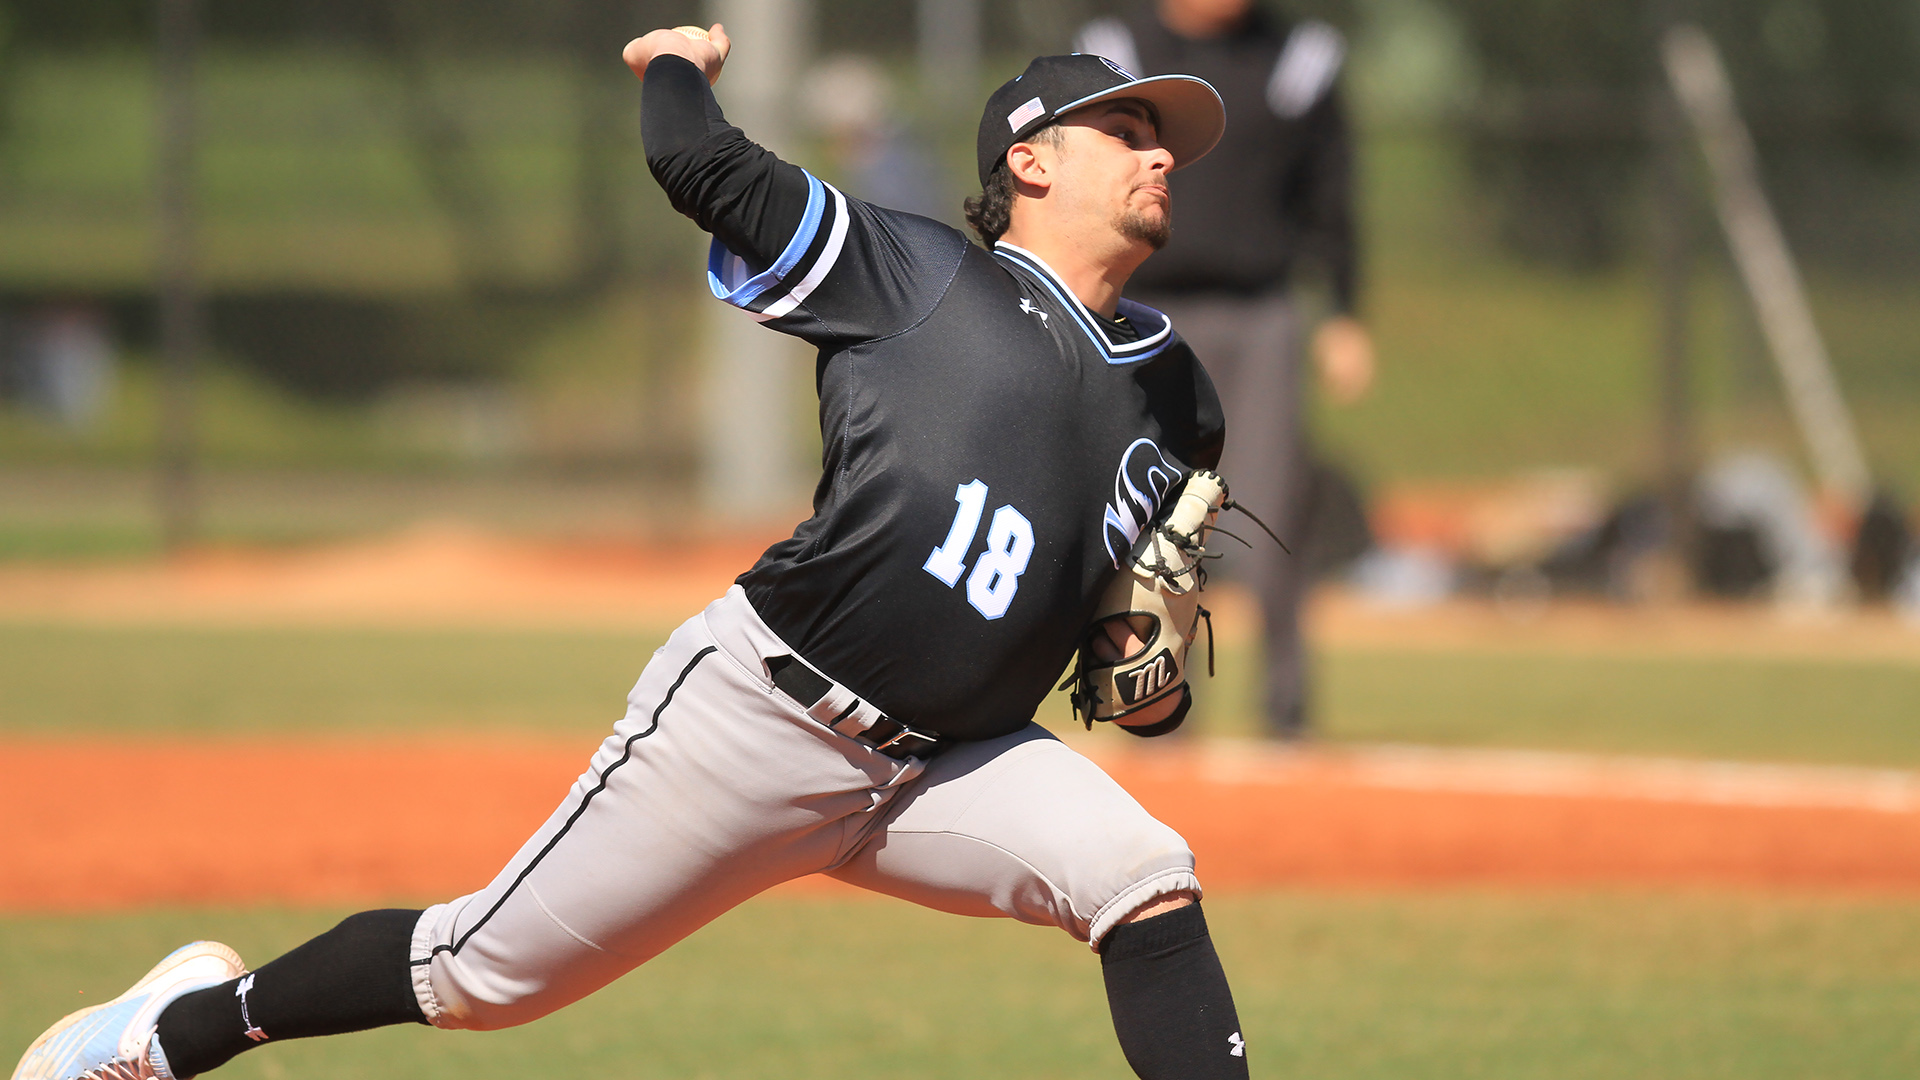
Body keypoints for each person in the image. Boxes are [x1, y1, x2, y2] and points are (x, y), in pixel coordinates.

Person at [11, 27, 1253, 1080]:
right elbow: (693, 158)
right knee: (479, 974)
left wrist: (1143, 670)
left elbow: (1130, 674)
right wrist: (673, 60)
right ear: (1027, 162)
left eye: (1167, 141)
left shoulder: (1179, 399)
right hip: (765, 722)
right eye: (1124, 129)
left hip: (951, 766)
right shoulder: (917, 274)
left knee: (1142, 874)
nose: (1158, 154)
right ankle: (167, 1037)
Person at [1076, 0, 1376, 739]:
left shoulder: (1299, 56)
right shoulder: (1115, 46)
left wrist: (1342, 311)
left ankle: (1286, 706)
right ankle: (1147, 700)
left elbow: (1333, 190)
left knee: (1268, 508)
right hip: (1142, 312)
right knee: (1145, 515)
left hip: (1261, 312)